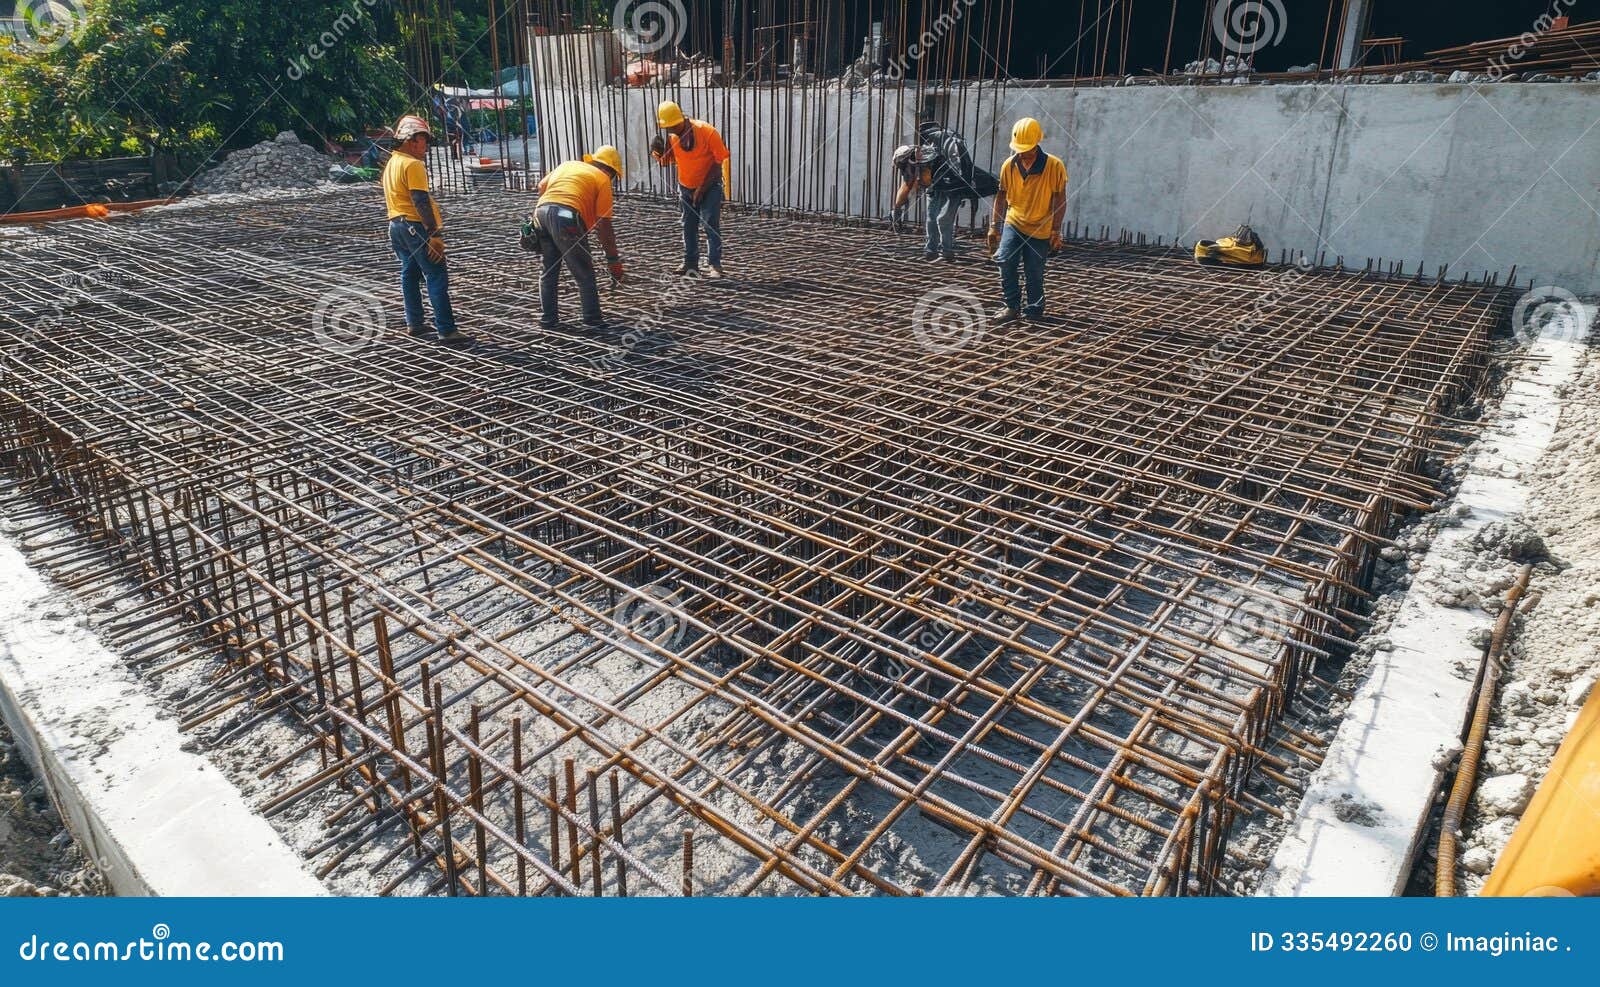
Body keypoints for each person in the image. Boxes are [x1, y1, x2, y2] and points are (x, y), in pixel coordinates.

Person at [382, 114, 469, 347]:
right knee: (436, 274)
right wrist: (434, 234)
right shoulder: (413, 164)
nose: (426, 147)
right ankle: (447, 329)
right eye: (424, 141)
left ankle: (415, 322)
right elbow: (419, 199)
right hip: (414, 226)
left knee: (409, 273)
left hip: (396, 226)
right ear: (411, 140)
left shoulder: (392, 162)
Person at [527, 146, 627, 329]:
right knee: (584, 271)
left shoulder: (568, 165)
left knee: (548, 271)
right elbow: (604, 225)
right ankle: (592, 319)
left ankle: (548, 319)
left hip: (540, 213)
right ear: (609, 170)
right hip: (566, 218)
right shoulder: (602, 178)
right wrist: (613, 260)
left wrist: (549, 210)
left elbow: (541, 186)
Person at [987, 117, 1067, 324]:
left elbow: (1060, 198)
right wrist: (994, 226)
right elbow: (1002, 196)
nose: (1023, 153)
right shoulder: (1009, 165)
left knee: (1034, 271)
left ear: (1037, 144)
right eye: (1020, 149)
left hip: (1041, 226)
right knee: (1005, 260)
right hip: (1014, 222)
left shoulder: (1054, 166)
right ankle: (1011, 306)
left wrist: (1056, 231)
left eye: (1028, 149)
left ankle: (1034, 310)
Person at [650, 100, 731, 278]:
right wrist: (657, 153)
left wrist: (701, 189)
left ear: (681, 119)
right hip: (685, 187)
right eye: (667, 127)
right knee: (688, 225)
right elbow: (667, 162)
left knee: (710, 223)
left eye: (672, 125)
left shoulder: (707, 132)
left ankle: (715, 265)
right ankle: (690, 263)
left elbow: (719, 163)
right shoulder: (672, 137)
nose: (670, 130)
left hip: (710, 187)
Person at [907, 118, 978, 262]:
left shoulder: (949, 141)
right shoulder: (928, 144)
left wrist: (961, 188)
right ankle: (931, 251)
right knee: (932, 218)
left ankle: (946, 252)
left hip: (953, 187)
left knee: (942, 219)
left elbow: (959, 166)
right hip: (936, 188)